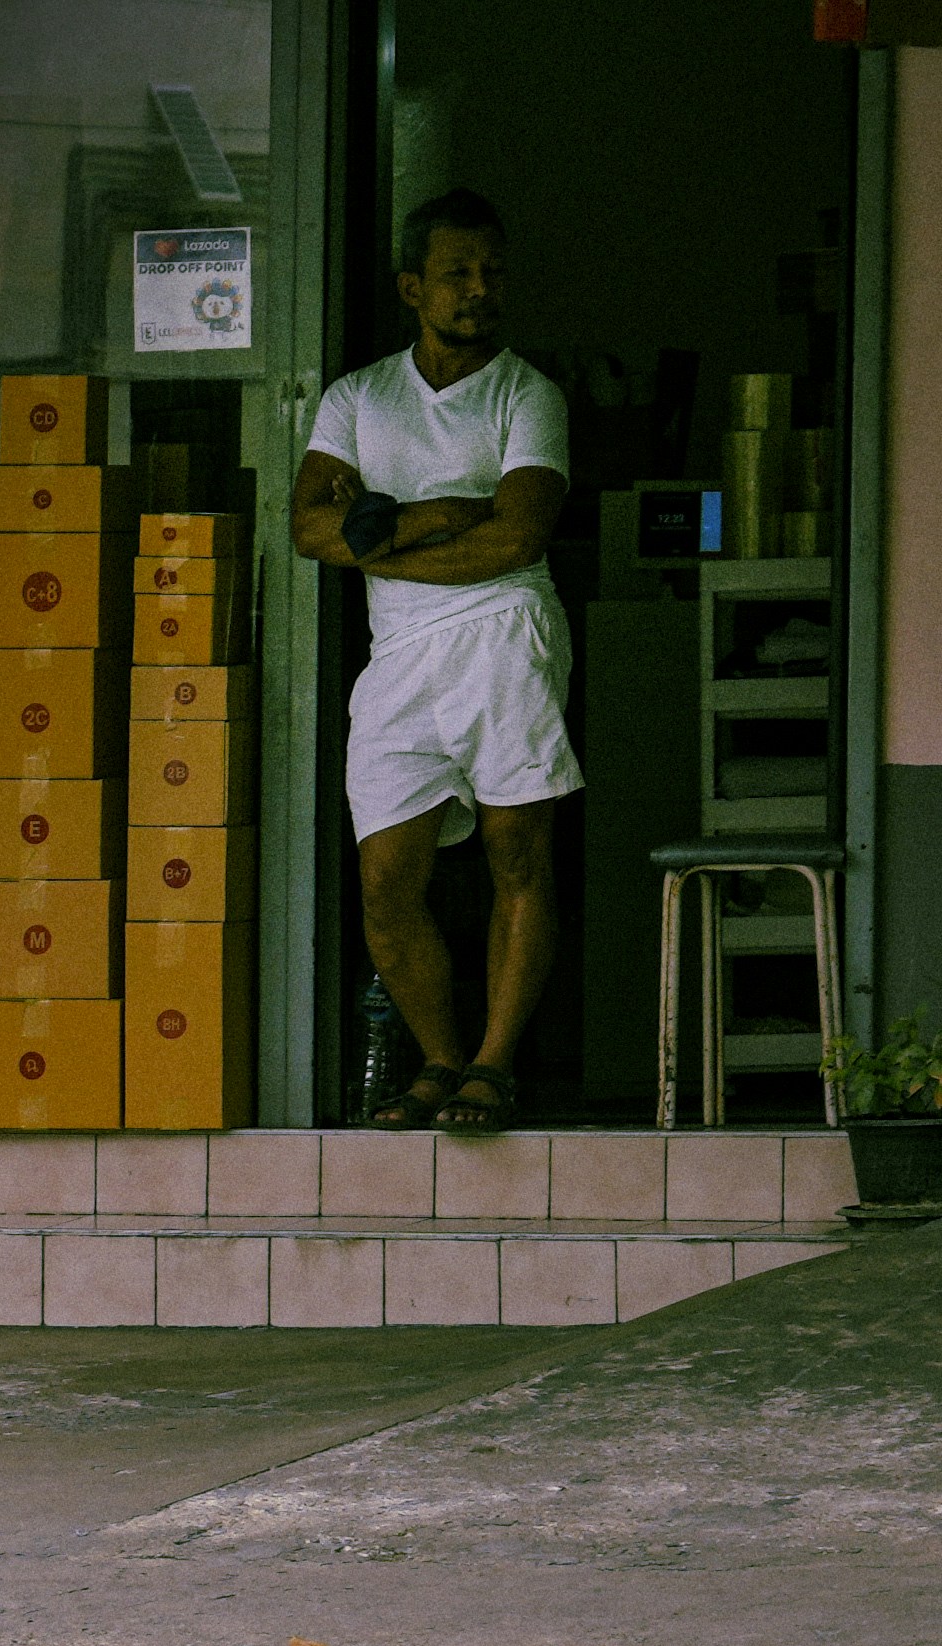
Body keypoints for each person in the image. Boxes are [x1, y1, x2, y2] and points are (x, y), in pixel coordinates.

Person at [290, 186, 579, 1136]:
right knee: (386, 878)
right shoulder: (358, 397)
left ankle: (493, 1064)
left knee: (517, 853)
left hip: (507, 635)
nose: (479, 289)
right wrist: (441, 513)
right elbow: (307, 527)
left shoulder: (528, 393)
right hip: (399, 653)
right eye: (457, 273)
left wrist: (380, 530)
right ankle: (439, 1059)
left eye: (493, 272)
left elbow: (517, 537)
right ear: (414, 286)